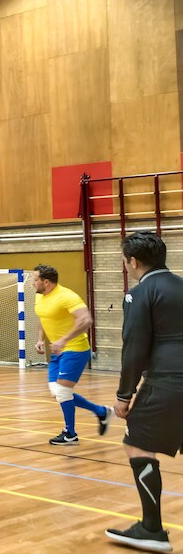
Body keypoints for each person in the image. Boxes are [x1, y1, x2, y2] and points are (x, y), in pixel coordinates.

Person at [106, 231, 183, 551]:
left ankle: (151, 528)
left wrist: (124, 395)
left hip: (168, 380)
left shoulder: (138, 293)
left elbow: (134, 347)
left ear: (133, 262)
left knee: (136, 444)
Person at [30, 264, 111, 445]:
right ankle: (101, 411)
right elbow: (44, 318)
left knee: (63, 391)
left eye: (35, 279)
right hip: (58, 351)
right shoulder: (40, 297)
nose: (32, 283)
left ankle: (70, 433)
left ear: (46, 282)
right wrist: (40, 340)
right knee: (57, 392)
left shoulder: (66, 296)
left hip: (75, 348)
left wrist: (63, 340)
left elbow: (86, 320)